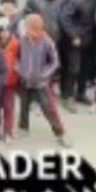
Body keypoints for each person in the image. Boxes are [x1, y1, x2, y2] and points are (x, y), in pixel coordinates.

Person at [15, 15, 70, 146]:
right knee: (23, 105)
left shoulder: (47, 41)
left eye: (34, 30)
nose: (30, 33)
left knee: (49, 109)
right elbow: (17, 57)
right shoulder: (22, 39)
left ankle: (60, 133)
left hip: (41, 83)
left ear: (40, 29)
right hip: (24, 80)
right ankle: (23, 128)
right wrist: (19, 69)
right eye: (28, 29)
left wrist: (43, 74)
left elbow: (55, 62)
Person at [59, 0, 96, 110]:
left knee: (85, 69)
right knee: (73, 69)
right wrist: (73, 35)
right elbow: (65, 18)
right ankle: (67, 96)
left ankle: (80, 94)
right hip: (74, 39)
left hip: (89, 39)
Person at [0, 21, 20, 143]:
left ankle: (8, 132)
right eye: (1, 31)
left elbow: (21, 60)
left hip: (10, 82)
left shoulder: (16, 44)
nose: (4, 33)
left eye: (6, 30)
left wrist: (17, 69)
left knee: (8, 107)